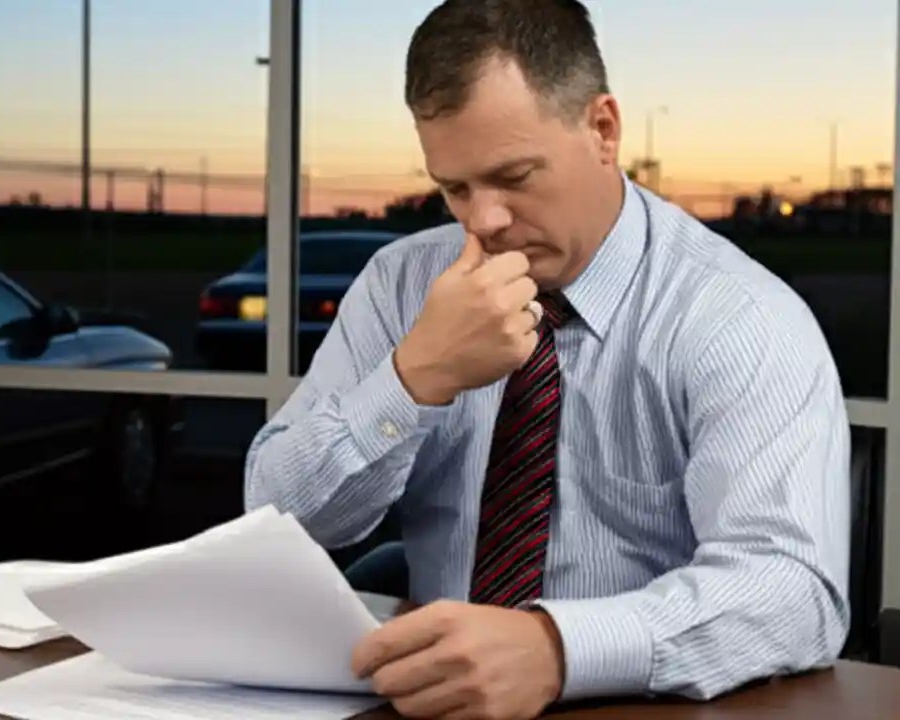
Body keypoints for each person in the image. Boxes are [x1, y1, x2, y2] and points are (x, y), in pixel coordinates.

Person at [243, 0, 851, 718]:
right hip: (436, 705)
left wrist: (558, 649)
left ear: (602, 130)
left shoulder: (736, 317)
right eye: (455, 188)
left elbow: (793, 590)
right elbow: (276, 521)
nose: (484, 220)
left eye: (514, 175)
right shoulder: (400, 286)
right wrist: (413, 381)